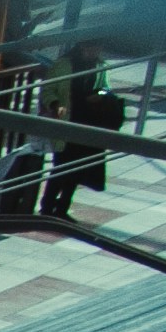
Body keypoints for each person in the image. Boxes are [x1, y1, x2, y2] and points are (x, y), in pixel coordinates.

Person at [44, 43, 120, 220]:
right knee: (60, 166)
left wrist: (98, 95)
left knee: (76, 169)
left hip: (88, 121)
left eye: (97, 49)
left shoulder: (100, 67)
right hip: (67, 120)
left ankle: (62, 207)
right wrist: (55, 104)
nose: (95, 51)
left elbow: (105, 88)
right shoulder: (63, 66)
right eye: (92, 48)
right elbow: (48, 90)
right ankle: (47, 206)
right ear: (82, 48)